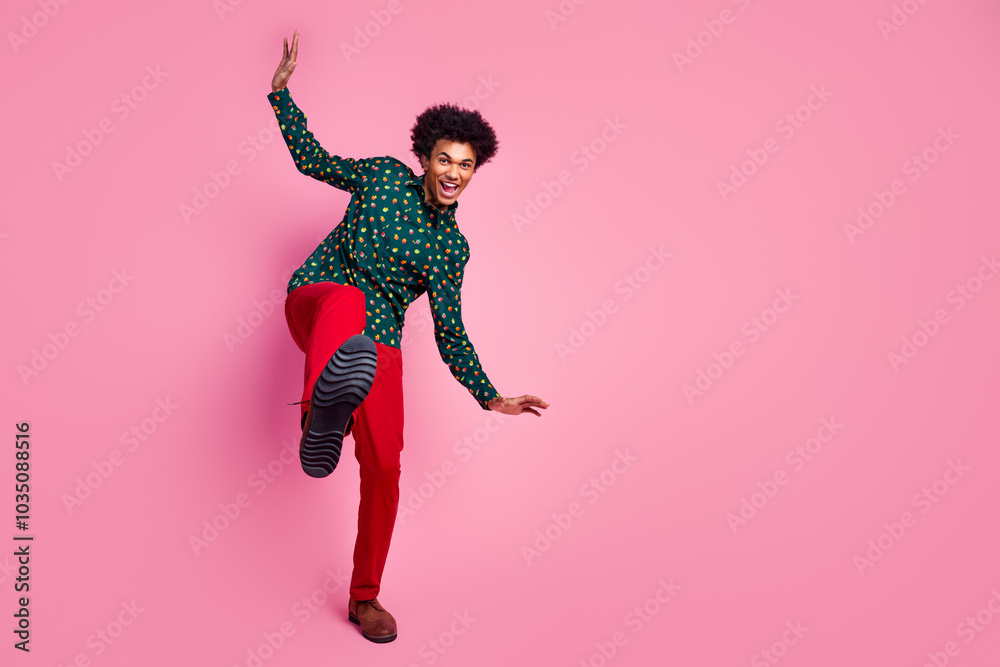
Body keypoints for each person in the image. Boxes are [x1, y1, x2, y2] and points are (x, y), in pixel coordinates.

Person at [268, 30, 549, 644]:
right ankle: (322, 411)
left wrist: (490, 395)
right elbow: (312, 161)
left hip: (378, 349)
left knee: (387, 468)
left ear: (475, 173)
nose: (454, 172)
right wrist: (281, 96)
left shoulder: (452, 248)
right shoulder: (381, 176)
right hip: (318, 305)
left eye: (466, 166)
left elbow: (450, 331)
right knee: (349, 302)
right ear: (425, 157)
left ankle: (364, 596)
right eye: (445, 159)